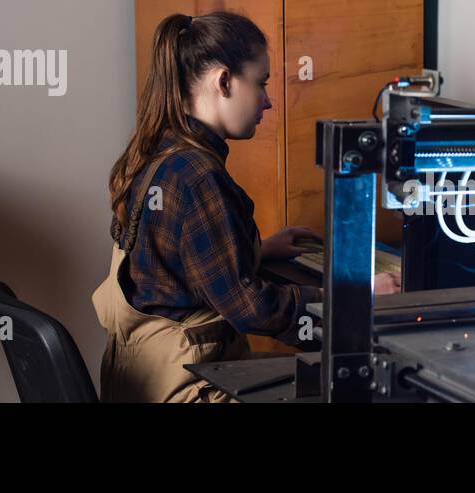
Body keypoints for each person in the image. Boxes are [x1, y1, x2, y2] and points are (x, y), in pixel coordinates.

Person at [92, 11, 400, 402]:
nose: (269, 102)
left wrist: (256, 248)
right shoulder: (198, 175)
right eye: (262, 82)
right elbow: (253, 308)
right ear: (223, 81)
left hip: (136, 383)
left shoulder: (158, 152)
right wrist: (356, 294)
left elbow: (173, 261)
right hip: (186, 387)